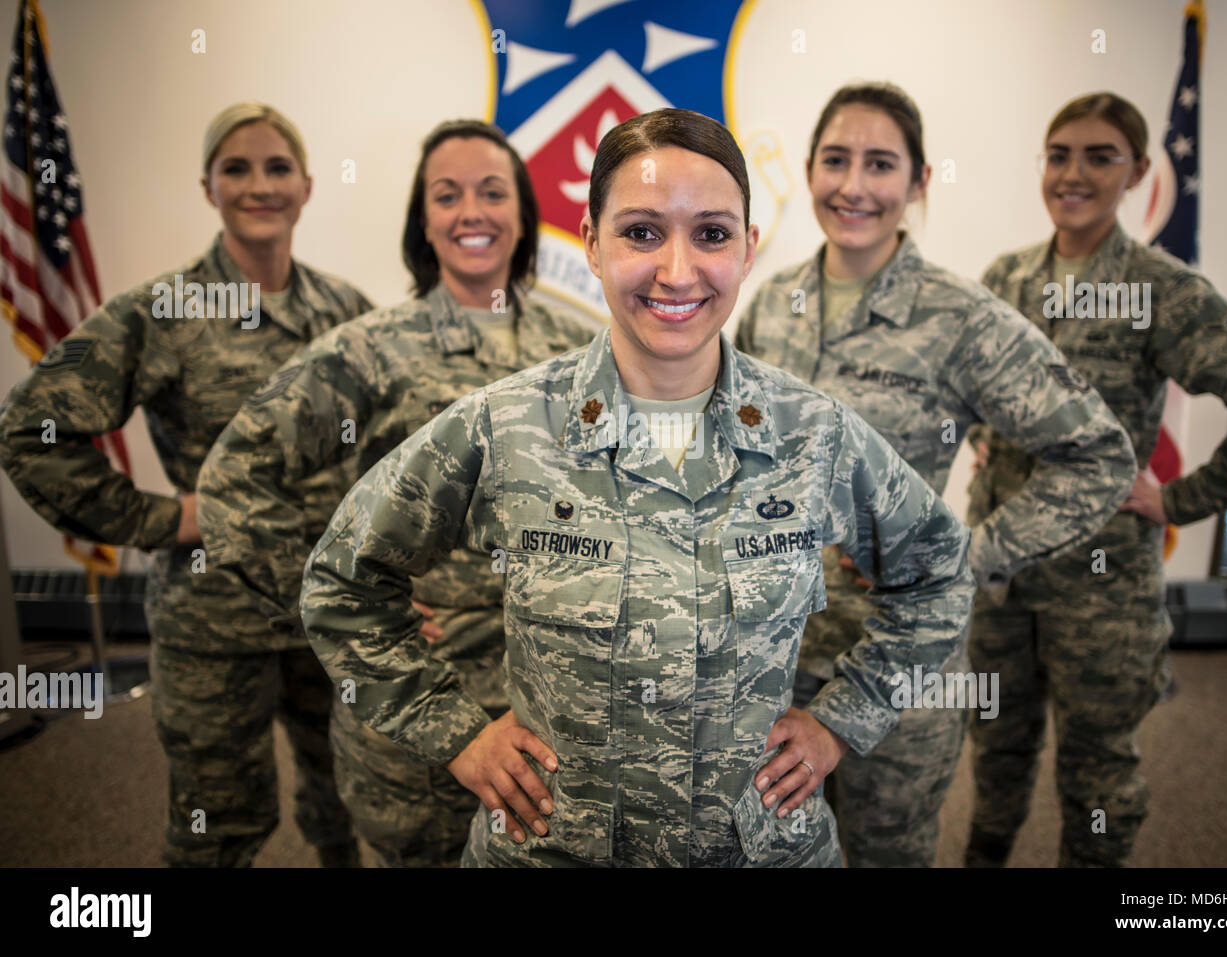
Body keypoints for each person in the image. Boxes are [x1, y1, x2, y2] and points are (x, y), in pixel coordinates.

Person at [299, 107, 975, 867]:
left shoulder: (812, 432)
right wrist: (454, 732)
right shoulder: (506, 425)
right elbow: (341, 578)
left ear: (748, 249)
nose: (678, 271)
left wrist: (841, 720)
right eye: (642, 232)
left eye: (712, 234)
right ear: (590, 241)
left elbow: (940, 573)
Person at [733, 82, 1136, 868]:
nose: (854, 186)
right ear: (808, 170)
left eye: (881, 165)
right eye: (836, 160)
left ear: (918, 184)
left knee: (886, 853)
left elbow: (1099, 455)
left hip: (895, 670)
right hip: (771, 663)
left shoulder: (959, 316)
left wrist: (964, 555)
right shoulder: (770, 303)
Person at [197, 119, 595, 867]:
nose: (470, 211)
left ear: (523, 213)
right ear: (423, 220)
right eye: (447, 195)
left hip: (547, 703)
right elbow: (234, 473)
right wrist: (335, 595)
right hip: (419, 710)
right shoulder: (369, 348)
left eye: (491, 192)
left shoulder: (578, 353)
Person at [0, 102, 372, 867]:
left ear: (306, 187)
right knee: (218, 825)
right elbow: (31, 430)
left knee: (349, 794)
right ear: (208, 187)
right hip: (215, 620)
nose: (259, 185)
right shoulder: (167, 310)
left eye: (277, 168)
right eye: (236, 167)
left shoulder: (345, 311)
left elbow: (388, 444)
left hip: (329, 610)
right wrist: (163, 518)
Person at [965, 91, 1227, 867]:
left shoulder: (1158, 287)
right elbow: (972, 381)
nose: (1073, 173)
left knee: (1098, 773)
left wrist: (1177, 498)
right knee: (995, 749)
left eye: (1099, 155)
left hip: (1101, 585)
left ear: (1140, 171)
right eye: (1059, 154)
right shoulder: (1007, 277)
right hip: (1003, 578)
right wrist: (983, 433)